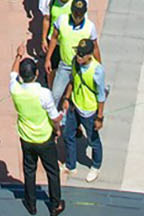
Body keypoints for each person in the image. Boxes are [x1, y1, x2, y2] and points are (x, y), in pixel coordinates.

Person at [11, 58, 65, 215]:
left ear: (21, 75)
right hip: (44, 138)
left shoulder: (15, 89)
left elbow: (12, 74)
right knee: (52, 171)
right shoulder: (43, 93)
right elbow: (54, 117)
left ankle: (31, 204)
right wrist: (57, 129)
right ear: (36, 73)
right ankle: (55, 204)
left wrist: (18, 56)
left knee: (29, 170)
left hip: (26, 138)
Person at [62, 39, 107, 181]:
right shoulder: (75, 62)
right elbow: (73, 81)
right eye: (78, 53)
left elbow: (101, 96)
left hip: (89, 110)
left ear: (90, 55)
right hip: (75, 105)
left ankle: (95, 166)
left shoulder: (97, 70)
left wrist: (99, 117)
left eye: (82, 55)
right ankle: (71, 165)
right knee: (68, 134)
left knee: (93, 141)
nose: (78, 57)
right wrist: (67, 98)